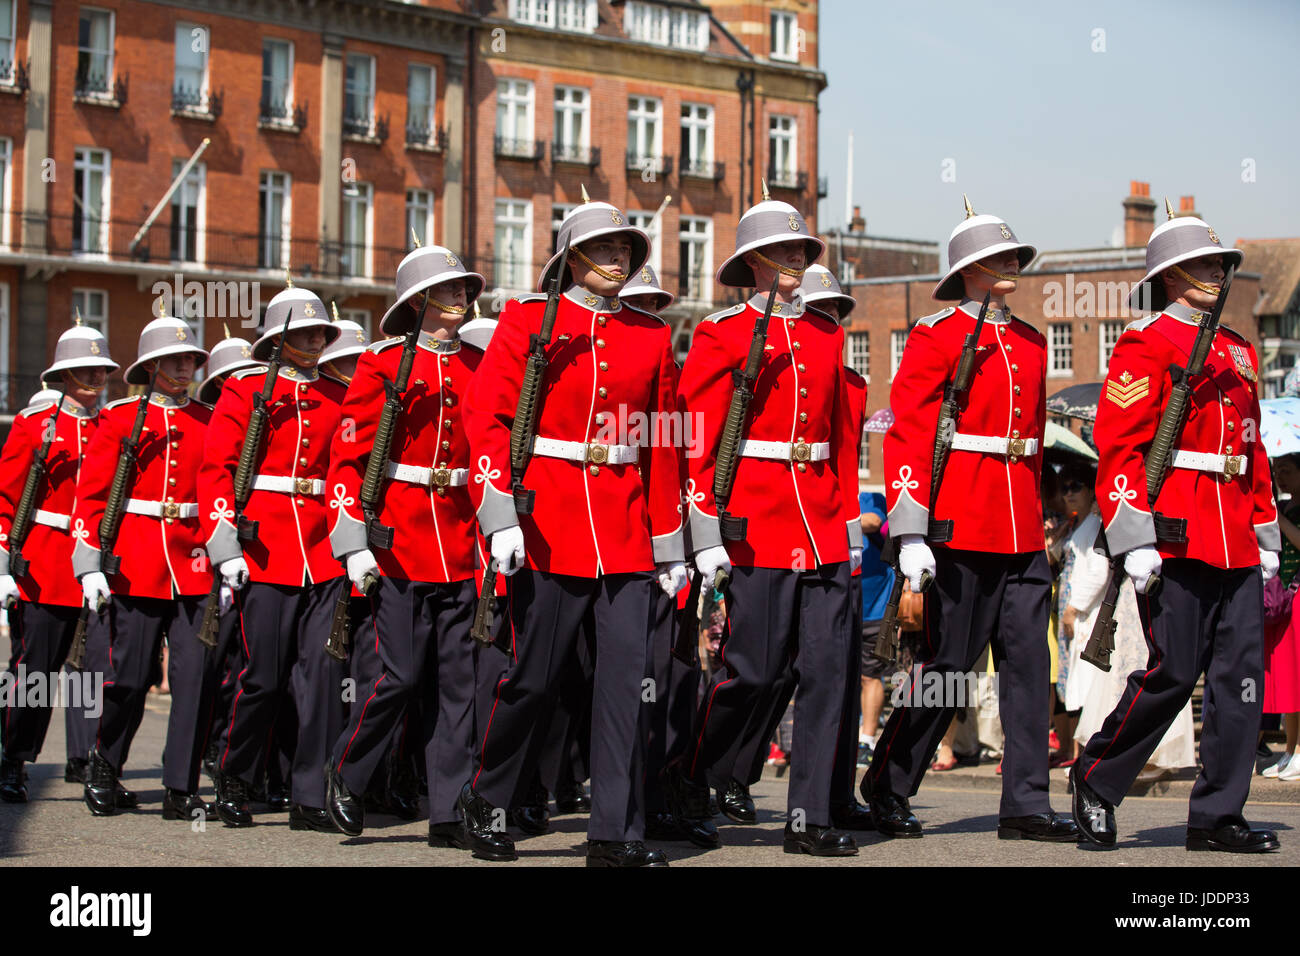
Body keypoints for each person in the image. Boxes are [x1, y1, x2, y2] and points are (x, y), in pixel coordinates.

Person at [459, 194, 684, 867]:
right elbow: (487, 420)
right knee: (531, 676)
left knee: (624, 685)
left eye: (626, 250)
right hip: (545, 520)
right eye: (607, 249)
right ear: (574, 258)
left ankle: (614, 831)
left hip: (624, 527)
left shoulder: (651, 335)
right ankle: (487, 797)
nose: (620, 260)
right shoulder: (530, 320)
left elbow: (663, 445)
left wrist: (670, 542)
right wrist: (498, 511)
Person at [867, 196, 1077, 842]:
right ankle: (888, 782)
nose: (1009, 263)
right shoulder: (937, 336)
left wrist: (1040, 521)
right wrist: (911, 529)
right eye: (996, 257)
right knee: (947, 671)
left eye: (1012, 254)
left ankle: (1025, 802)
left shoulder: (1031, 343)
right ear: (968, 269)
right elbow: (906, 435)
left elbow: (1034, 442)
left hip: (1019, 528)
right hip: (959, 523)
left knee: (1026, 670)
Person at [1072, 203, 1280, 852]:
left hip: (1237, 535)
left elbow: (1253, 447)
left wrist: (1267, 528)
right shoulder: (1146, 342)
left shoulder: (1239, 350)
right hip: (1177, 530)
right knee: (1172, 672)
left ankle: (1217, 814)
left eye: (1218, 261)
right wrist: (1132, 537)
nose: (1215, 271)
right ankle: (1096, 779)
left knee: (1240, 680)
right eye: (1200, 263)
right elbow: (1122, 448)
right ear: (1169, 275)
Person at [666, 189, 862, 858]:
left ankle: (807, 816)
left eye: (801, 251)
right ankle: (691, 772)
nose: (794, 261)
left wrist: (847, 521)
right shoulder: (722, 332)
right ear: (752, 262)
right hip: (757, 515)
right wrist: (704, 527)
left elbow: (840, 434)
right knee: (751, 670)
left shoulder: (825, 333)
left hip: (820, 518)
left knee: (827, 671)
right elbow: (697, 437)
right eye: (780, 252)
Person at [323, 245, 487, 847]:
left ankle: (448, 812)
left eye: (463, 289)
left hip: (461, 539)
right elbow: (347, 459)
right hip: (398, 537)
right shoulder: (380, 364)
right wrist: (353, 543)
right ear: (419, 301)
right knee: (398, 674)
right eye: (447, 291)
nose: (460, 300)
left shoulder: (478, 361)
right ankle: (348, 769)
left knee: (460, 682)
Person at [200, 280, 350, 832]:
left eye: (320, 331)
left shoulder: (338, 396)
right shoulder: (245, 391)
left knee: (321, 676)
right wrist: (225, 542)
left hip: (322, 549)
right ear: (278, 337)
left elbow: (346, 472)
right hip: (264, 550)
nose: (314, 339)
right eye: (304, 330)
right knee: (260, 677)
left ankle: (308, 793)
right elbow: (216, 468)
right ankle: (236, 777)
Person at [72, 305, 218, 820]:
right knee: (129, 680)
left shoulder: (208, 420)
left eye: (189, 360)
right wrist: (89, 563)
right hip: (134, 561)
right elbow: (91, 498)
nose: (185, 368)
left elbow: (220, 491)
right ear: (150, 365)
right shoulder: (117, 420)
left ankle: (181, 786)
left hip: (194, 563)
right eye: (174, 360)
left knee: (195, 679)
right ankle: (105, 764)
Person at [0, 319, 121, 804]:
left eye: (100, 371)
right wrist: (4, 563)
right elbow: (6, 499)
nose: (94, 380)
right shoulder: (36, 427)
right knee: (36, 670)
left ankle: (94, 763)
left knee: (100, 672)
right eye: (84, 371)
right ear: (65, 376)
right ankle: (13, 757)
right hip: (46, 563)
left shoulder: (115, 426)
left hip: (102, 564)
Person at [1265, 454, 1300, 779]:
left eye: (1287, 472)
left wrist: (1278, 518)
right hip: (1286, 599)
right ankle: (1290, 750)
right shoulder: (1284, 508)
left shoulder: (1287, 513)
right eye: (1277, 472)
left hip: (1299, 594)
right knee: (1290, 677)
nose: (1281, 478)